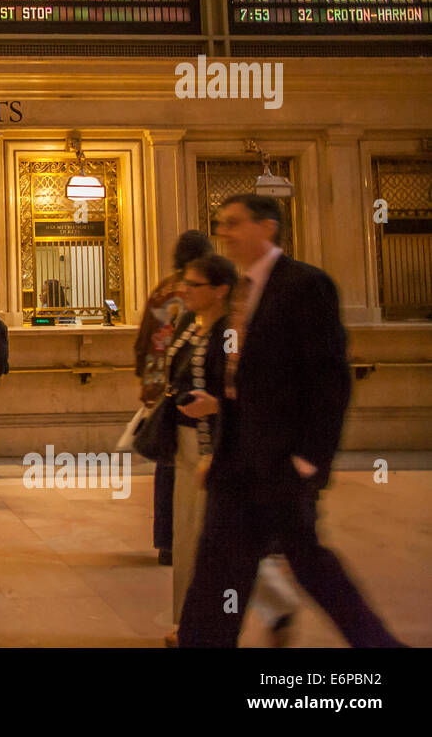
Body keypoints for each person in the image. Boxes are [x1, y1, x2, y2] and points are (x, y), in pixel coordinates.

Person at [179, 194, 405, 648]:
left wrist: (309, 459)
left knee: (310, 564)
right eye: (221, 223)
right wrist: (220, 429)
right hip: (238, 464)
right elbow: (244, 383)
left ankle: (378, 644)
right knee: (219, 569)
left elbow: (328, 382)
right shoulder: (241, 293)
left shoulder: (304, 285)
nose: (224, 232)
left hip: (282, 464)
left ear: (267, 228)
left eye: (234, 223)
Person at [162, 252, 235, 644]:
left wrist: (218, 405)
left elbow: (257, 392)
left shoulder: (232, 331)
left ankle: (272, 605)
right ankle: (187, 623)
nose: (184, 290)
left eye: (194, 285)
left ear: (220, 290)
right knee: (188, 537)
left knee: (216, 540)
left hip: (218, 444)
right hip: (187, 441)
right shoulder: (191, 324)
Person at [135, 230, 213, 566]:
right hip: (195, 388)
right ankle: (198, 535)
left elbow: (143, 339)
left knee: (167, 462)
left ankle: (166, 541)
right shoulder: (208, 291)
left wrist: (148, 383)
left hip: (159, 388)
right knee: (201, 460)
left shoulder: (164, 290)